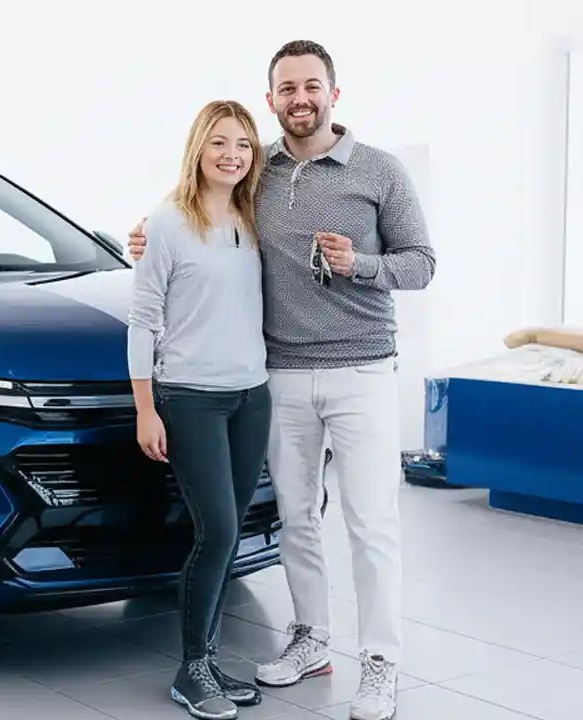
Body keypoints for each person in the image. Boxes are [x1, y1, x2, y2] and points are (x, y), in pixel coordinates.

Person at [126, 40, 436, 720]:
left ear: (333, 93)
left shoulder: (380, 171)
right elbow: (191, 219)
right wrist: (144, 237)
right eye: (287, 88)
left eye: (312, 86)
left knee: (371, 523)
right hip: (280, 377)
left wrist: (362, 265)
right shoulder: (254, 174)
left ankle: (381, 662)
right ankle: (311, 639)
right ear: (272, 99)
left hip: (361, 370)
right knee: (297, 521)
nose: (300, 98)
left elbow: (422, 263)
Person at [128, 99, 271, 720]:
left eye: (242, 144)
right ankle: (190, 670)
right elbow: (142, 319)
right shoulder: (166, 223)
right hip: (189, 398)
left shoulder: (254, 214)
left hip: (252, 395)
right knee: (214, 531)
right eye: (219, 143)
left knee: (231, 532)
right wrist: (145, 409)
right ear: (198, 148)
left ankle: (210, 660)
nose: (231, 154)